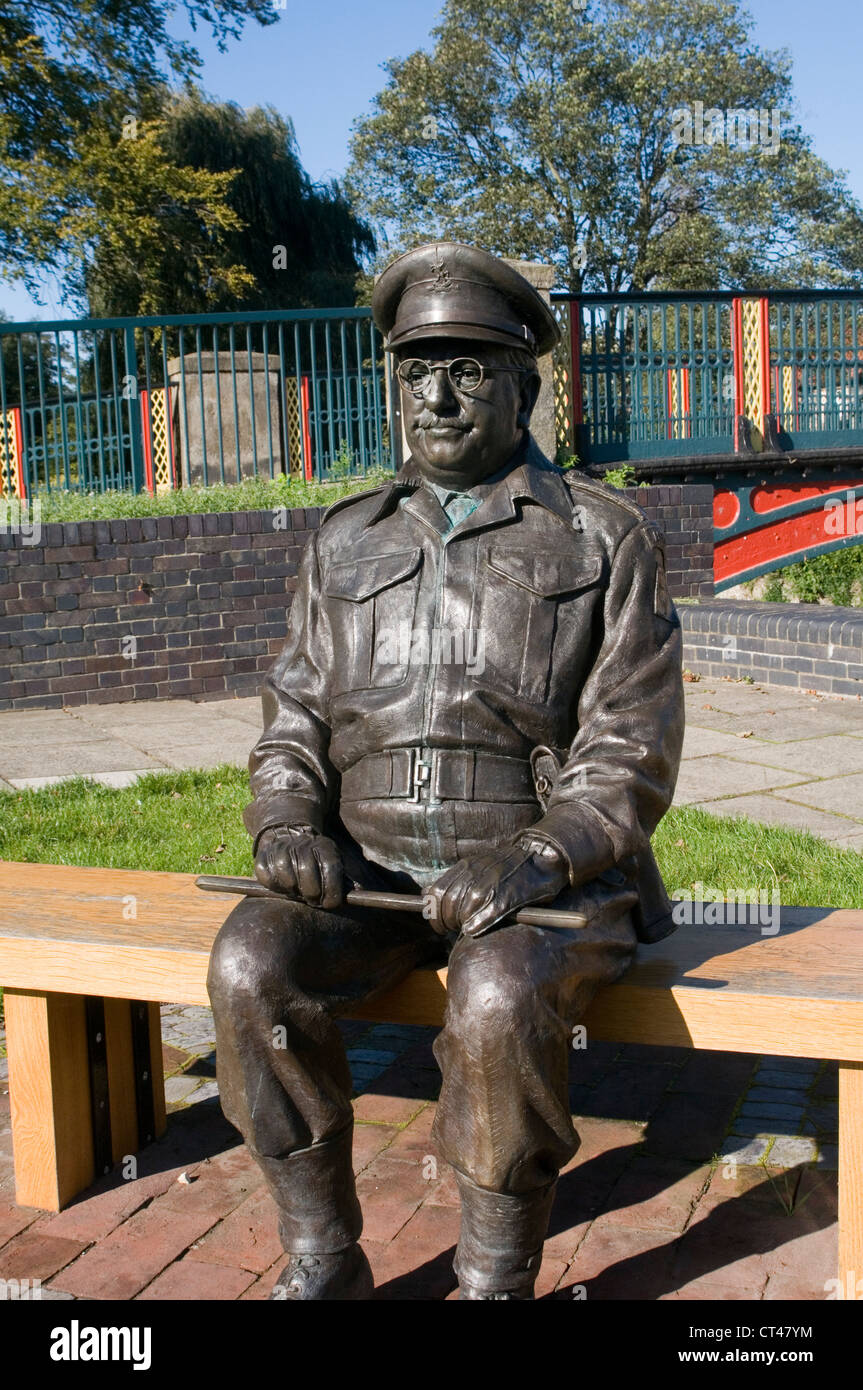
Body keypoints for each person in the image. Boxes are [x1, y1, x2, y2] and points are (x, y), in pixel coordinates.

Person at [207, 242, 684, 1300]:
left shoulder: (602, 537)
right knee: (249, 965)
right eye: (415, 368)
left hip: (543, 886)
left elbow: (630, 743)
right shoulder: (342, 540)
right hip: (365, 873)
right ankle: (323, 1255)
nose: (435, 392)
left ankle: (490, 1276)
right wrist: (287, 819)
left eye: (467, 367)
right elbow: (292, 711)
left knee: (497, 995)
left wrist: (536, 854)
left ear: (524, 382)